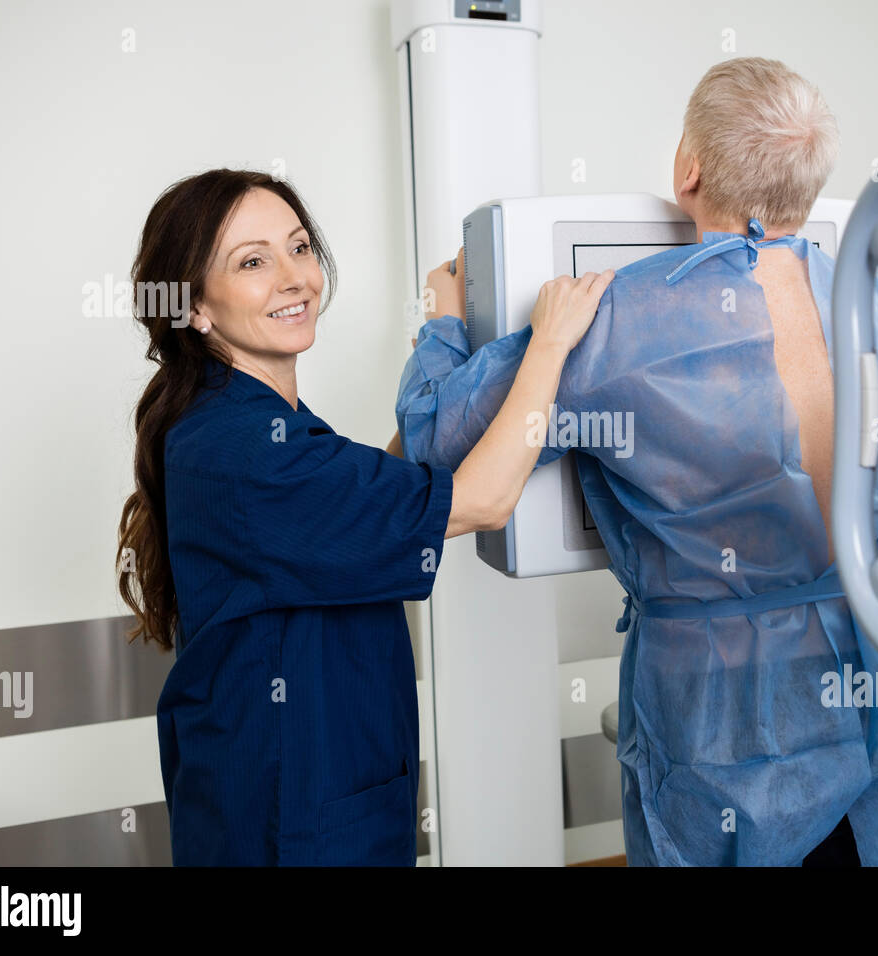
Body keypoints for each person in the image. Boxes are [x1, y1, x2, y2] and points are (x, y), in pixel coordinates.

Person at [395, 58, 878, 866]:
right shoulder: (874, 299)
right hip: (874, 674)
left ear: (688, 169)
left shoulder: (616, 314)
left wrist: (442, 314)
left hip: (722, 714)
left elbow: (434, 438)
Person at [116, 168, 612, 865]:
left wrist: (439, 340)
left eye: (298, 247)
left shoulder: (253, 421)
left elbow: (378, 489)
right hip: (287, 816)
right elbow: (479, 500)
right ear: (196, 307)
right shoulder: (243, 445)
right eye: (253, 262)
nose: (293, 277)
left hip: (302, 788)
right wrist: (550, 345)